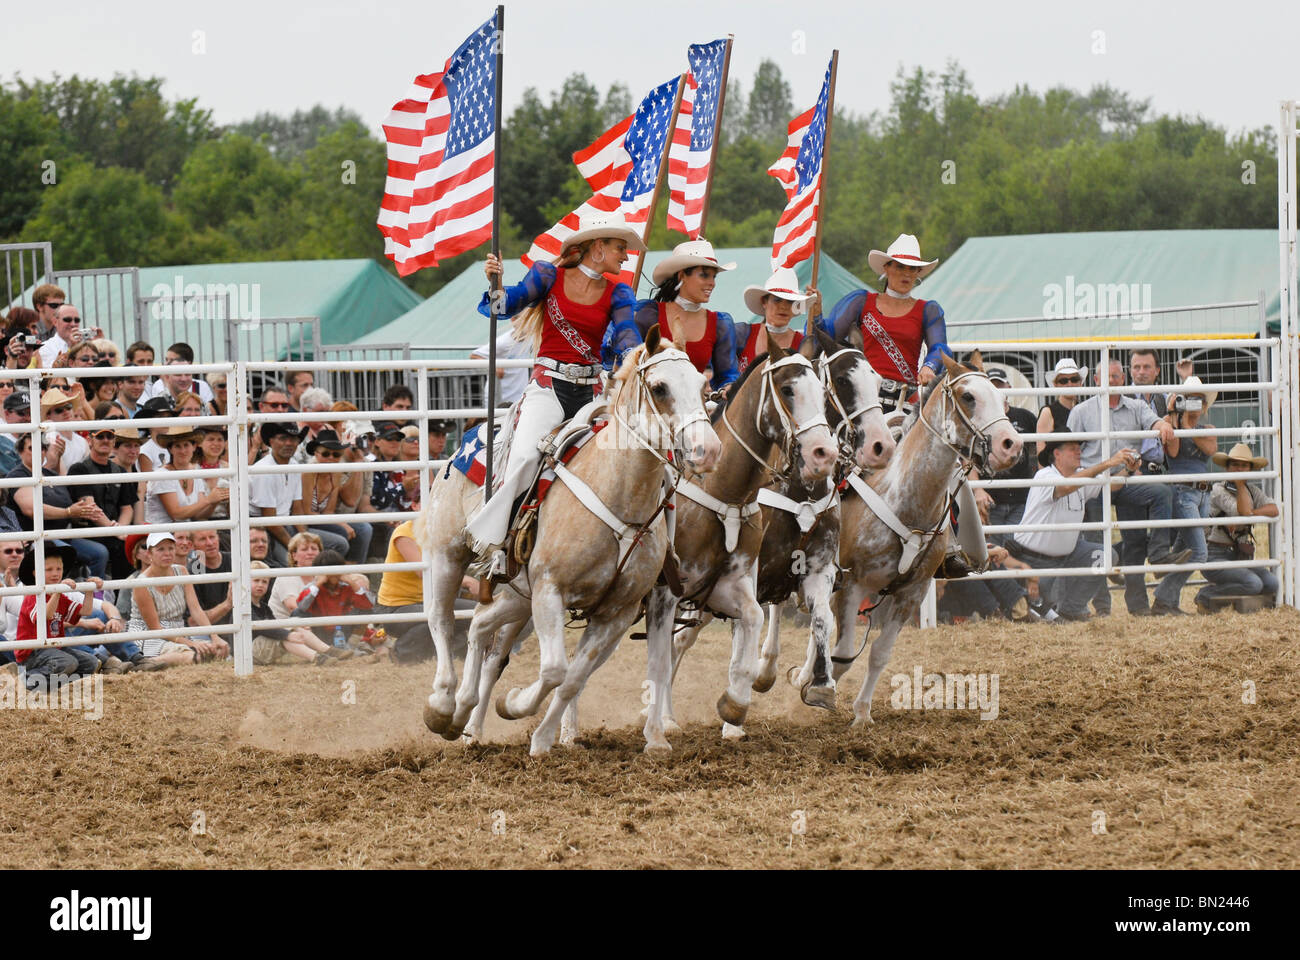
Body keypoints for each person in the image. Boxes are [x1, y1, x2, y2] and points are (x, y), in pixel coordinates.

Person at [465, 212, 643, 564]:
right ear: (597, 248)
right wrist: (495, 283)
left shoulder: (619, 292)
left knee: (621, 459)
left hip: (591, 394)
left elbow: (626, 333)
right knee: (526, 456)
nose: (626, 256)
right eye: (620, 248)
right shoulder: (548, 275)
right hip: (548, 387)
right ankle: (497, 543)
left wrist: (638, 354)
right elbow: (505, 305)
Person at [1067, 357, 1183, 616]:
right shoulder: (1082, 411)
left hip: (1128, 478)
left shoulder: (1136, 405)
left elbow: (1154, 421)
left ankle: (1156, 560)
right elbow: (1070, 449)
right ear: (1096, 381)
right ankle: (1102, 607)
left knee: (1143, 526)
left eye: (1117, 376)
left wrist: (1164, 425)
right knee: (1097, 546)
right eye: (1107, 377)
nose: (1112, 381)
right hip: (1095, 484)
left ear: (1123, 378)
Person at [1012, 429, 1137, 622]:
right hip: (1034, 560)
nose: (1078, 452)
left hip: (1066, 553)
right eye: (1072, 448)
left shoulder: (1080, 475)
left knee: (1106, 556)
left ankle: (1072, 609)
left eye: (1079, 448)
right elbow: (1065, 487)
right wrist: (1109, 463)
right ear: (1057, 454)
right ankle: (1056, 609)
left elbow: (1110, 485)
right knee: (1037, 610)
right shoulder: (1044, 475)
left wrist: (1128, 468)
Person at [820, 233, 952, 408]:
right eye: (900, 266)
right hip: (864, 399)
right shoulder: (861, 301)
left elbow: (940, 347)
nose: (906, 273)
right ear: (886, 268)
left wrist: (930, 366)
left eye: (912, 268)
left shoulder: (929, 310)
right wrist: (815, 314)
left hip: (906, 401)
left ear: (918, 273)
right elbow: (828, 336)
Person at [1150, 376, 1218, 616]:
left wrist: (1187, 428)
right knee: (1199, 553)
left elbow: (1211, 449)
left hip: (1202, 494)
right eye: (1191, 400)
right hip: (1182, 492)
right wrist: (1176, 419)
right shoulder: (1171, 423)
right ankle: (1162, 599)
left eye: (1199, 401)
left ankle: (1166, 603)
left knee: (1184, 550)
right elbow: (1174, 454)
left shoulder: (1206, 429)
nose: (1195, 406)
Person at [632, 239, 738, 391]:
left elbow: (726, 375)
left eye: (714, 277)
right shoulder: (647, 314)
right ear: (682, 276)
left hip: (695, 409)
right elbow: (628, 362)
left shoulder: (720, 323)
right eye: (704, 275)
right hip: (649, 407)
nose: (712, 283)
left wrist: (728, 387)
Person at [7, 433, 109, 580]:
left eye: (42, 448)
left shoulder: (49, 474)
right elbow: (31, 510)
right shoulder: (18, 475)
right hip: (37, 537)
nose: (38, 451)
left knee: (100, 552)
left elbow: (67, 488)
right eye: (31, 448)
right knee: (64, 551)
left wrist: (84, 510)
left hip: (62, 535)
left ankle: (95, 596)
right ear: (21, 452)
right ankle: (62, 594)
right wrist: (68, 512)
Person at [1196, 444, 1279, 612]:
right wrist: (1241, 486)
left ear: (1249, 469)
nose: (1238, 469)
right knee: (1253, 583)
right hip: (1214, 555)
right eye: (1234, 465)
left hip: (1238, 555)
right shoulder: (1218, 490)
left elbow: (1273, 509)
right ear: (1227, 468)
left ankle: (1233, 599)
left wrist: (1252, 512)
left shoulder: (1252, 490)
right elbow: (1241, 510)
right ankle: (1205, 596)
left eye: (1243, 465)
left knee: (1272, 582)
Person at [376, 517, 468, 664]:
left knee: (472, 612)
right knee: (435, 618)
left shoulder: (440, 531)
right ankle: (402, 653)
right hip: (395, 607)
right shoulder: (404, 533)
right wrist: (466, 580)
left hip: (429, 601)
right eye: (424, 500)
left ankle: (448, 654)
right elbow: (423, 572)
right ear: (414, 505)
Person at [128, 531, 229, 664]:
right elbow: (155, 628)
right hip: (149, 635)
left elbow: (196, 609)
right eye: (160, 549)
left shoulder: (181, 571)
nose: (167, 553)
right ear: (149, 554)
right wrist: (190, 643)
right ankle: (143, 663)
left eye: (171, 548)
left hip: (178, 632)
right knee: (195, 656)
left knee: (218, 651)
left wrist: (214, 636)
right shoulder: (141, 583)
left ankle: (149, 662)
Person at [12, 544, 102, 690]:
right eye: (49, 570)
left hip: (55, 647)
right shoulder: (33, 595)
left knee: (90, 662)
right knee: (68, 662)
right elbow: (45, 615)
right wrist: (58, 592)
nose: (55, 573)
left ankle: (54, 685)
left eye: (59, 569)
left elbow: (85, 611)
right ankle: (26, 680)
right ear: (36, 573)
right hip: (32, 652)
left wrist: (90, 590)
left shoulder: (60, 596)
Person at [67, 423, 138, 579]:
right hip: (87, 533)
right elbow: (89, 506)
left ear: (114, 442)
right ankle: (99, 596)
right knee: (116, 548)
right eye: (100, 436)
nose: (105, 440)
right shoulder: (79, 469)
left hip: (114, 531)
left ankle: (126, 594)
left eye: (109, 437)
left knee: (136, 546)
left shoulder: (119, 471)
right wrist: (115, 530)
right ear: (89, 440)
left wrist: (122, 528)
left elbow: (127, 508)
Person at [247, 560, 346, 667]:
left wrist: (295, 628)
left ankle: (327, 650)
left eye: (264, 582)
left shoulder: (264, 607)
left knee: (294, 622)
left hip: (262, 647)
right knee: (284, 637)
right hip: (248, 653)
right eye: (256, 580)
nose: (260, 585)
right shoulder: (244, 607)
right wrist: (287, 634)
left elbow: (275, 625)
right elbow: (261, 628)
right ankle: (316, 657)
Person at [301, 428, 371, 563]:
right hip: (306, 521)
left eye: (336, 455)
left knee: (364, 529)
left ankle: (355, 571)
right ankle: (335, 572)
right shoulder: (308, 473)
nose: (331, 459)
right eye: (326, 454)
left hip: (321, 519)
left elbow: (330, 510)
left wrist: (358, 464)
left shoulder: (336, 473)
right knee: (342, 535)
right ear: (316, 453)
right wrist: (341, 523)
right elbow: (307, 512)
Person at [734, 266, 820, 374]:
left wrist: (817, 315)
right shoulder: (742, 334)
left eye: (790, 301)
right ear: (764, 302)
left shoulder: (802, 343)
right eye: (777, 300)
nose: (783, 307)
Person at [143, 426, 228, 526]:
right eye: (177, 446)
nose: (183, 451)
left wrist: (214, 502)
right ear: (170, 450)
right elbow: (176, 514)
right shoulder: (163, 475)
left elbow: (198, 515)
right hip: (161, 533)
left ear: (194, 447)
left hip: (184, 532)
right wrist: (208, 500)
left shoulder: (196, 473)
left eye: (186, 445)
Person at [249, 422, 305, 566]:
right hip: (261, 527)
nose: (288, 443)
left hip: (284, 523)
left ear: (298, 442)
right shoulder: (264, 471)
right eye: (282, 438)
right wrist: (296, 545)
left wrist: (305, 538)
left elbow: (297, 508)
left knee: (339, 543)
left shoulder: (294, 465)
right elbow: (269, 521)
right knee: (291, 563)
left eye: (293, 439)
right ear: (271, 442)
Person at [471, 322, 533, 407]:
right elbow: (474, 355)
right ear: (514, 320)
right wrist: (494, 367)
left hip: (519, 395)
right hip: (499, 397)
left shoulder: (531, 338)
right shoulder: (503, 341)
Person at [1037, 358, 1086, 456]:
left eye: (1074, 379)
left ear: (1080, 383)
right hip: (1056, 469)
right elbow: (1041, 452)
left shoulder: (1086, 409)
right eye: (1063, 381)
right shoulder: (1048, 412)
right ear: (1055, 384)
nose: (1070, 384)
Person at [145, 342, 215, 407]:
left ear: (188, 363)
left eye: (172, 360)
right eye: (166, 360)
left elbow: (207, 413)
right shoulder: (159, 385)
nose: (166, 364)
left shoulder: (201, 386)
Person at [40, 386, 89, 474]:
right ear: (48, 417)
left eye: (68, 406)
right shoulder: (49, 438)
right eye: (59, 410)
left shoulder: (82, 441)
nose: (66, 412)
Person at [190, 528, 233, 626]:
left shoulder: (235, 560)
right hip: (207, 634)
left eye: (212, 537)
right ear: (192, 545)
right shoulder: (192, 572)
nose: (209, 543)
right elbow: (192, 622)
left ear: (218, 538)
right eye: (202, 539)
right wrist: (227, 605)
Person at [37, 303, 85, 368]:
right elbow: (48, 375)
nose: (73, 324)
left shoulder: (86, 345)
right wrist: (73, 350)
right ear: (55, 322)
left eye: (77, 320)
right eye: (67, 320)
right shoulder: (45, 348)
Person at [0, 391, 30, 474]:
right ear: (7, 414)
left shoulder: (42, 435)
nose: (27, 418)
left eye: (31, 413)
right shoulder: (2, 443)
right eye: (21, 413)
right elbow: (16, 479)